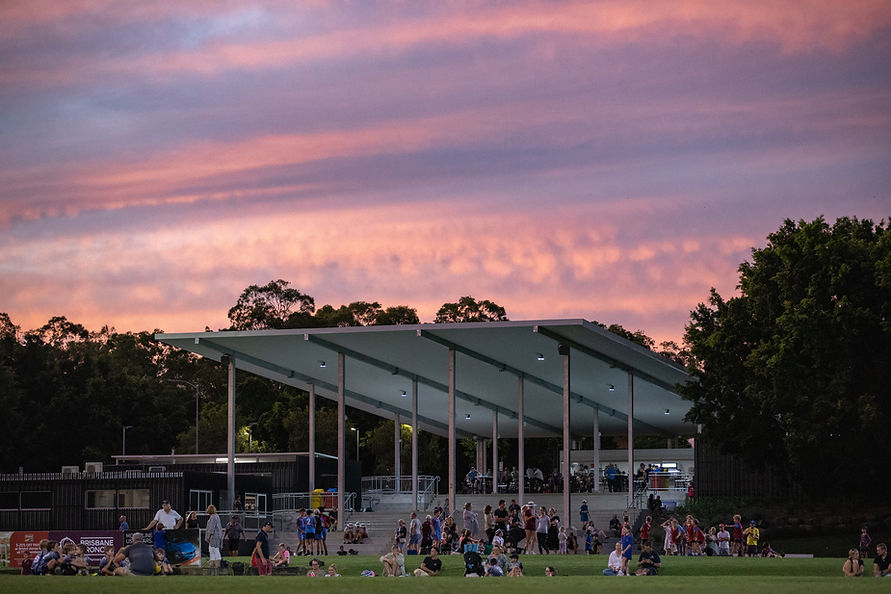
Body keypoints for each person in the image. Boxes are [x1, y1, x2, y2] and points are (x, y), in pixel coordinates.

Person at [204, 504, 223, 575]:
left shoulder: (213, 518)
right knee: (211, 550)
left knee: (215, 550)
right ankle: (212, 565)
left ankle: (217, 565)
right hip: (217, 536)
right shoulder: (216, 517)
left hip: (214, 537)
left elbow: (211, 528)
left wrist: (208, 536)